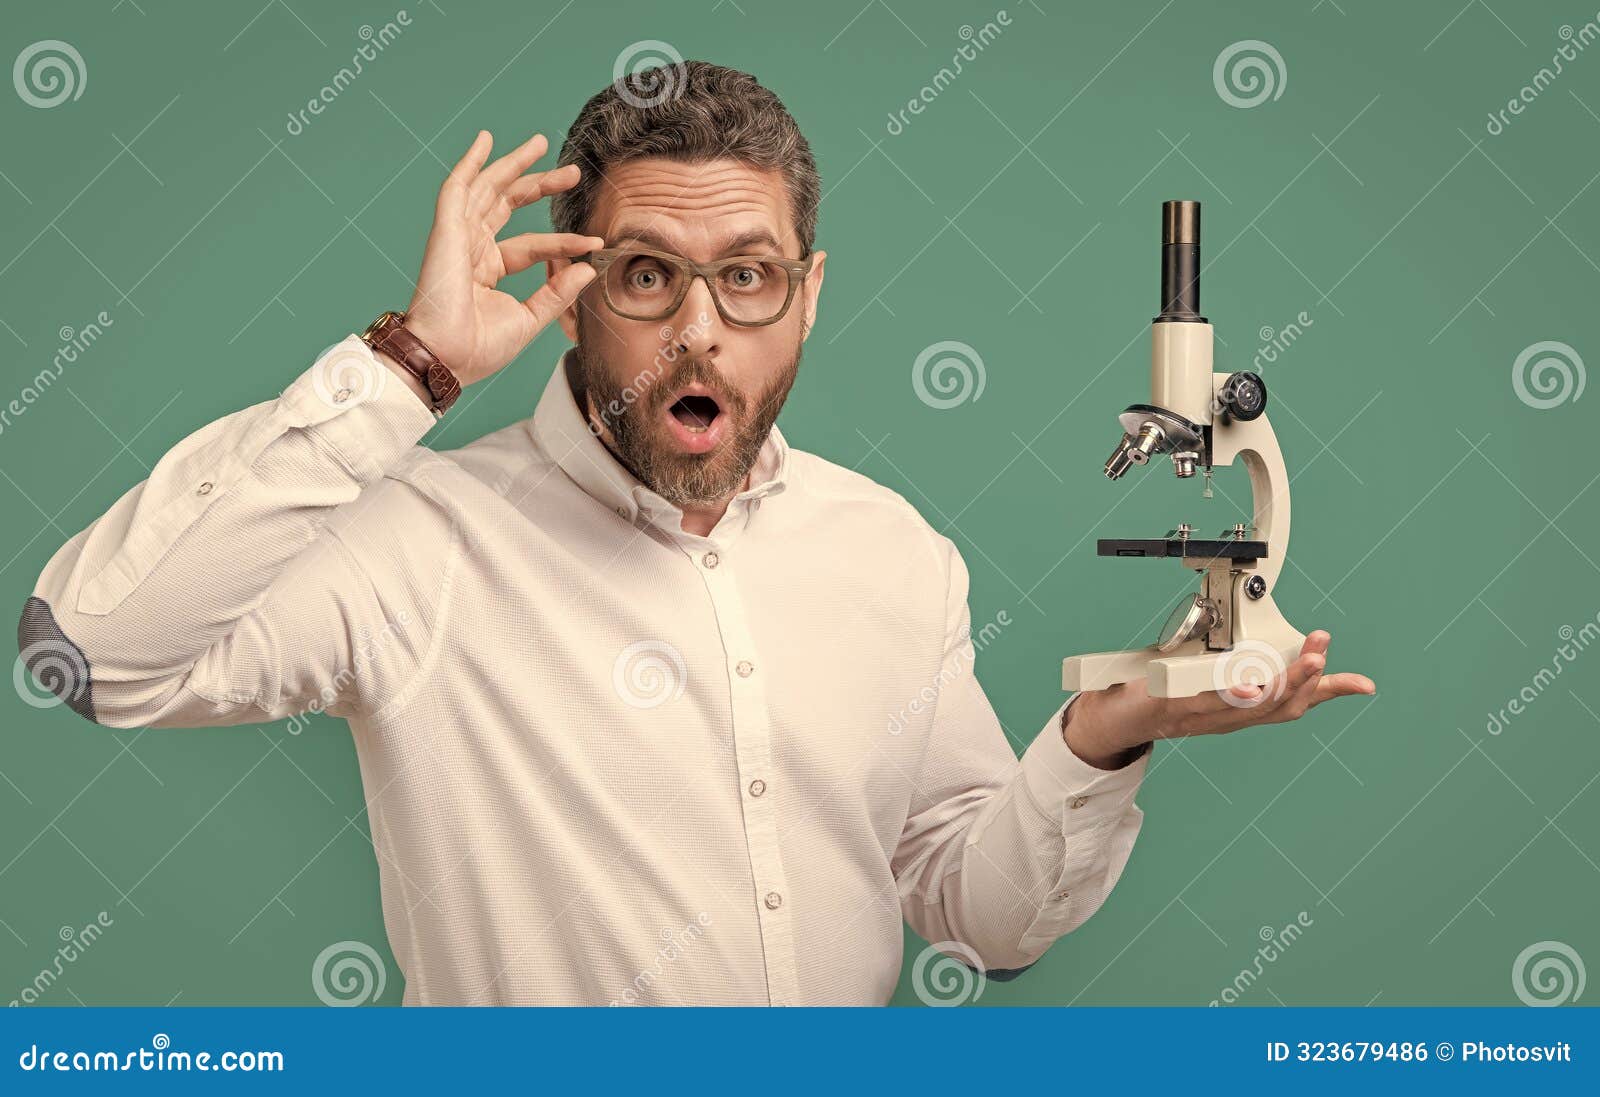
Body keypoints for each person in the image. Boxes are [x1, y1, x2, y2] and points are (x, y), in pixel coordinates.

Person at [17, 61, 1373, 1005]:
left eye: (748, 276)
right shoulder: (417, 541)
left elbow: (982, 916)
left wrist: (1105, 736)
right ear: (569, 280)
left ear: (810, 292)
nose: (701, 328)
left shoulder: (893, 550)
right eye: (647, 274)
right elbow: (90, 653)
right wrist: (413, 363)